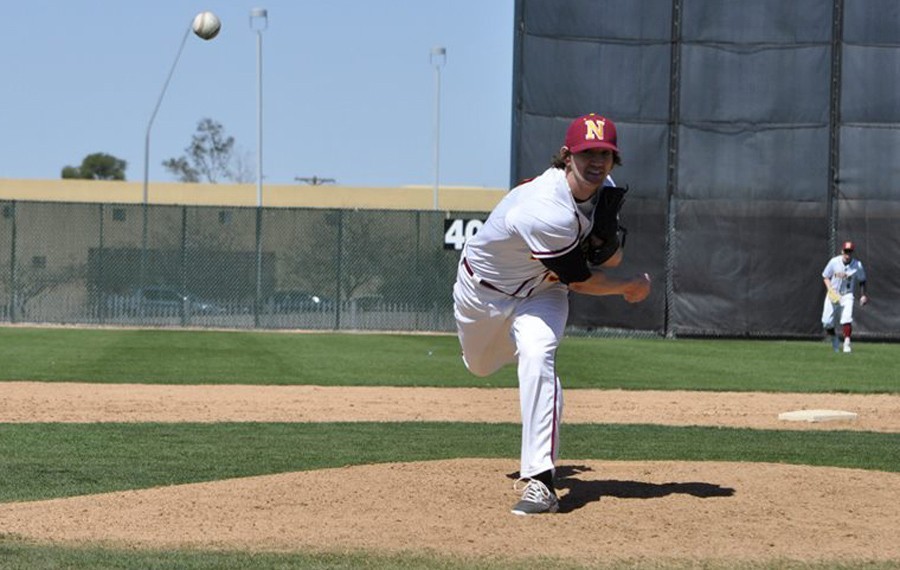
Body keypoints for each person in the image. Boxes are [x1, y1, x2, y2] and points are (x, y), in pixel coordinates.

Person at [452, 113, 651, 515]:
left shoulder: (603, 189)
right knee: (479, 366)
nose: (596, 162)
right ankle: (537, 379)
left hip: (542, 290)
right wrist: (629, 286)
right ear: (566, 156)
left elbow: (608, 259)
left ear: (614, 160)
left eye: (605, 153)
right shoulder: (545, 208)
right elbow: (582, 280)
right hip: (484, 294)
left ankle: (540, 482)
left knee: (539, 350)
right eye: (587, 153)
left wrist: (607, 244)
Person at [822, 241, 868, 353]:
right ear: (842, 251)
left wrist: (863, 295)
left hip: (847, 295)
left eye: (850, 251)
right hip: (833, 294)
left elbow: (862, 280)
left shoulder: (857, 265)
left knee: (846, 318)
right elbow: (825, 276)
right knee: (826, 322)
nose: (848, 254)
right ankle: (834, 338)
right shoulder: (834, 262)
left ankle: (847, 343)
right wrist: (830, 290)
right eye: (846, 251)